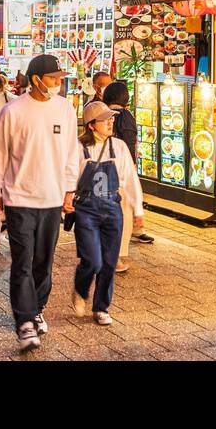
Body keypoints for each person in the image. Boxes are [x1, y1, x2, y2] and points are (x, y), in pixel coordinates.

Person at [0, 54, 82, 352]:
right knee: (23, 260)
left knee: (44, 261)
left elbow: (70, 153)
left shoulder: (65, 109)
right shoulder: (13, 111)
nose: (58, 83)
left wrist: (70, 190)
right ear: (37, 79)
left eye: (60, 78)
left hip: (53, 198)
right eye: (54, 78)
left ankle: (37, 306)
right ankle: (25, 321)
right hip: (20, 197)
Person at [71, 101, 143, 326]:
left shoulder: (119, 147)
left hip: (113, 207)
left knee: (110, 262)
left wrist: (137, 209)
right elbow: (68, 176)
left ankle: (101, 307)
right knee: (92, 260)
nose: (111, 122)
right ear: (92, 125)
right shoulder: (78, 148)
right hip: (86, 209)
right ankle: (81, 290)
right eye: (105, 119)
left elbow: (130, 179)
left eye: (111, 118)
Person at [102, 81, 153, 267]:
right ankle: (115, 258)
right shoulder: (126, 116)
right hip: (121, 172)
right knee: (122, 212)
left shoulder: (102, 113)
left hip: (101, 169)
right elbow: (130, 144)